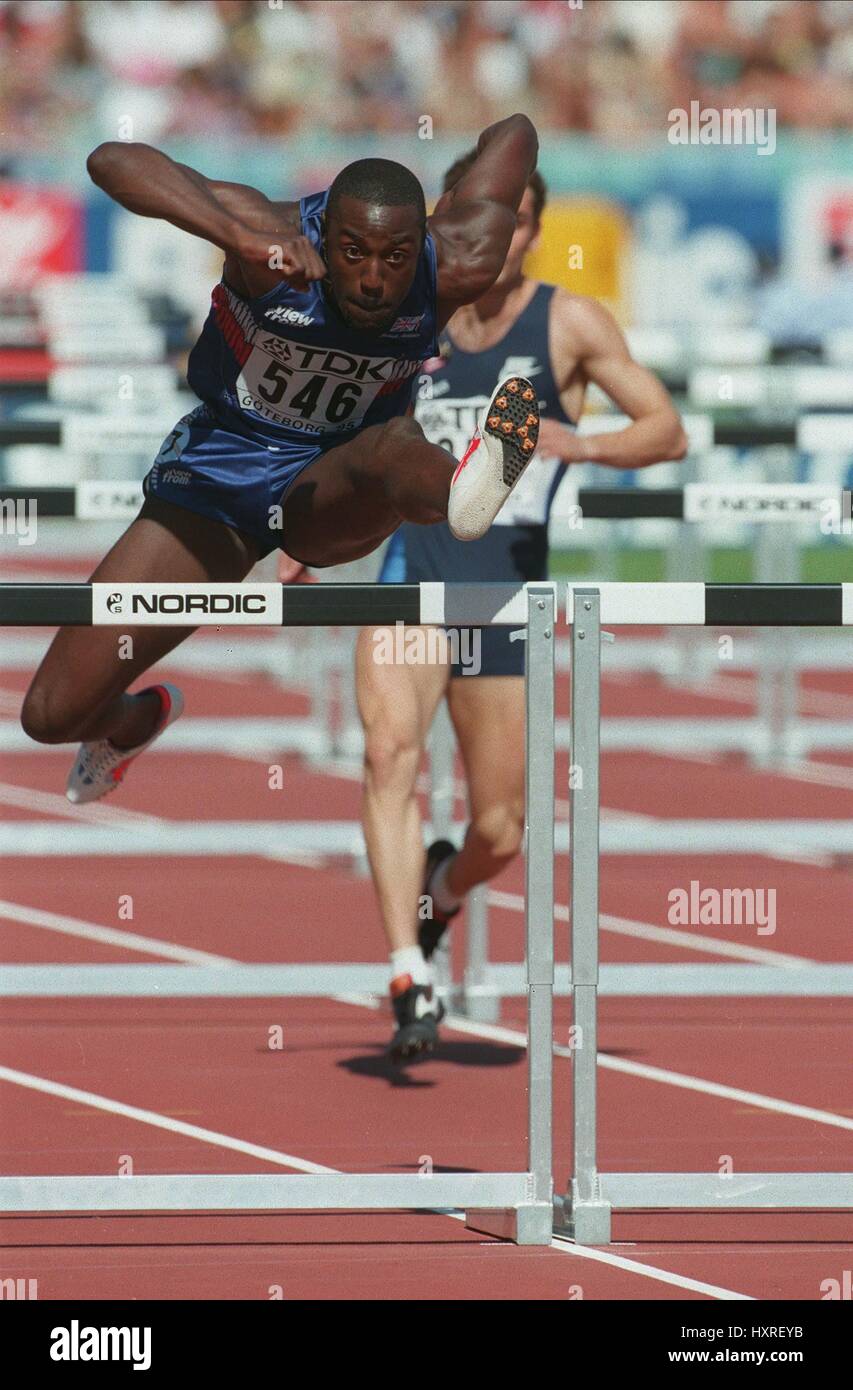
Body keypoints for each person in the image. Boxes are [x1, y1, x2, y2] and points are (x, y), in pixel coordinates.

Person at [20, 115, 546, 801]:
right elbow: (110, 158)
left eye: (395, 259)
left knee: (390, 449)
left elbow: (517, 133)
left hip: (333, 483)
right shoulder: (266, 234)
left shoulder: (459, 261)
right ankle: (136, 721)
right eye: (353, 253)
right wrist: (233, 239)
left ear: (422, 240)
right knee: (51, 714)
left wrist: (467, 164)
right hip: (220, 473)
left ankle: (465, 490)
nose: (373, 281)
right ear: (324, 235)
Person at [351, 151, 688, 1064]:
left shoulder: (566, 322)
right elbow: (336, 437)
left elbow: (666, 430)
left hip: (505, 594)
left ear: (533, 232)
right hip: (409, 577)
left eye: (517, 223)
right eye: (476, 221)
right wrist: (306, 542)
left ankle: (442, 892)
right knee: (389, 754)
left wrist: (571, 440)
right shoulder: (402, 317)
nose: (496, 240)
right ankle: (406, 973)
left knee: (501, 827)